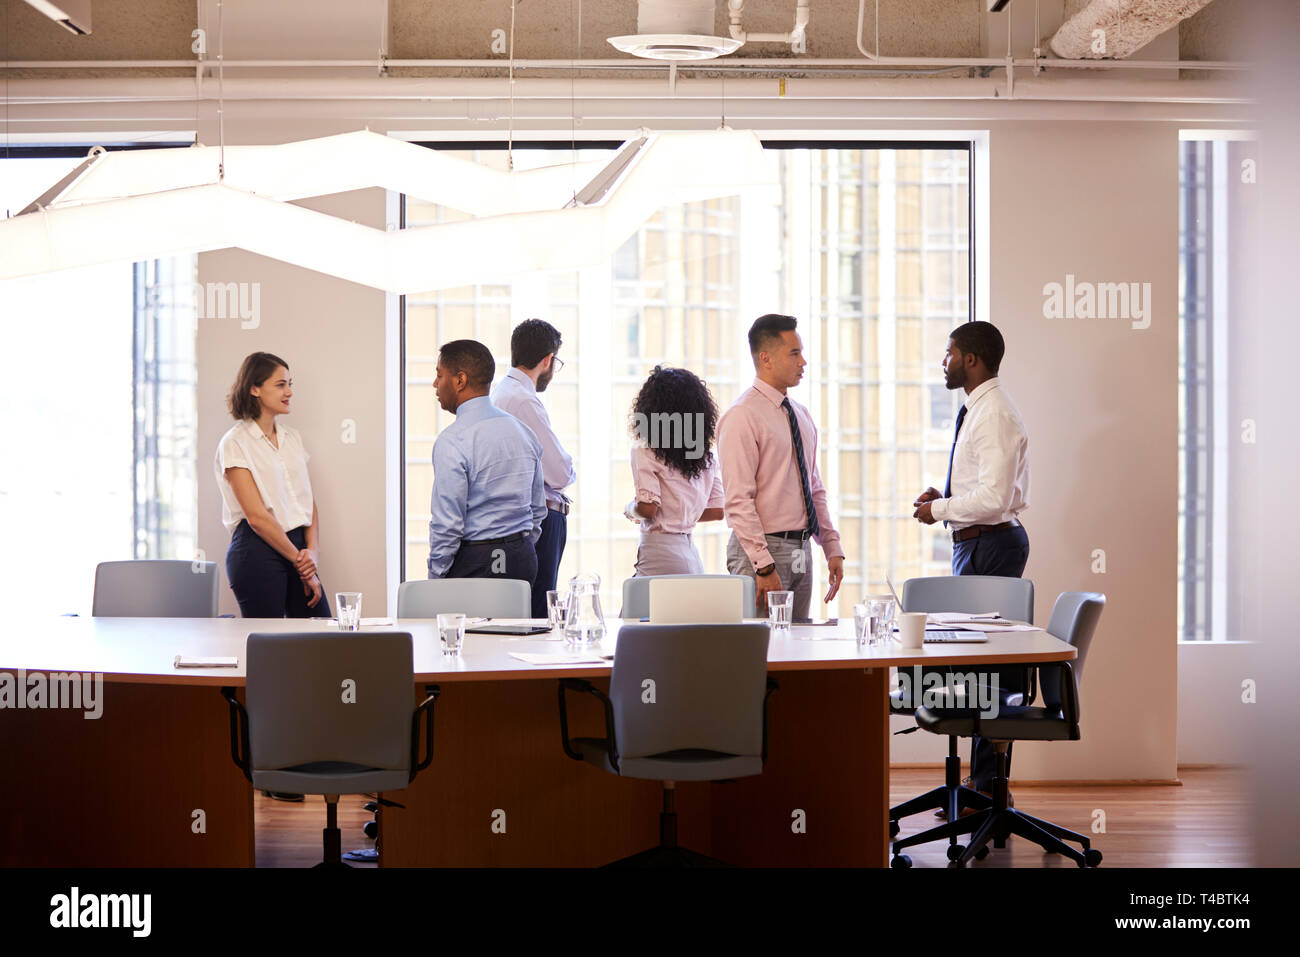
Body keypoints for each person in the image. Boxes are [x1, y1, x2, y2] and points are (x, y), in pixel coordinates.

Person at [912, 319, 1030, 803]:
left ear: (972, 360)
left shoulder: (994, 413)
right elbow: (984, 490)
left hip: (992, 543)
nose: (945, 361)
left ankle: (987, 791)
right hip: (979, 541)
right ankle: (983, 786)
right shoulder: (978, 410)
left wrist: (939, 509)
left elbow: (996, 498)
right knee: (981, 664)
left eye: (949, 353)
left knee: (988, 668)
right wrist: (948, 496)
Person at [718, 314, 845, 619]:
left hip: (802, 549)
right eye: (794, 353)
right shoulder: (742, 416)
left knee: (797, 654)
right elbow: (737, 500)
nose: (803, 361)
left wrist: (831, 545)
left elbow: (814, 488)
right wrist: (764, 565)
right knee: (762, 653)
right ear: (766, 359)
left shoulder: (801, 415)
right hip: (761, 552)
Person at [215, 351, 328, 620]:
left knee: (322, 633)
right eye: (280, 385)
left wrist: (311, 552)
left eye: (290, 384)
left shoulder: (293, 438)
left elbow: (306, 500)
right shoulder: (235, 442)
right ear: (254, 388)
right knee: (269, 647)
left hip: (298, 546)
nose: (289, 392)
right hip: (256, 549)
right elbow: (256, 517)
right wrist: (302, 563)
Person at [428, 339, 546, 585]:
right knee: (515, 625)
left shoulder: (452, 441)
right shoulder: (523, 432)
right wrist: (518, 545)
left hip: (477, 562)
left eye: (440, 375)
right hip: (521, 557)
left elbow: (448, 526)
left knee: (467, 626)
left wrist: (436, 578)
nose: (435, 384)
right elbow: (537, 509)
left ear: (460, 380)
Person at [490, 319, 576, 617]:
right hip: (540, 519)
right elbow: (560, 473)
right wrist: (571, 467)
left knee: (523, 607)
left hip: (514, 520)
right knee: (539, 612)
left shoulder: (500, 393)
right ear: (547, 360)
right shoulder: (524, 401)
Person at [621, 366, 725, 576]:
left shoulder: (645, 450)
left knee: (638, 608)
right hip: (691, 556)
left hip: (659, 554)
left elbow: (647, 509)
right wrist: (681, 516)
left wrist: (630, 510)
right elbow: (717, 511)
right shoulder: (706, 456)